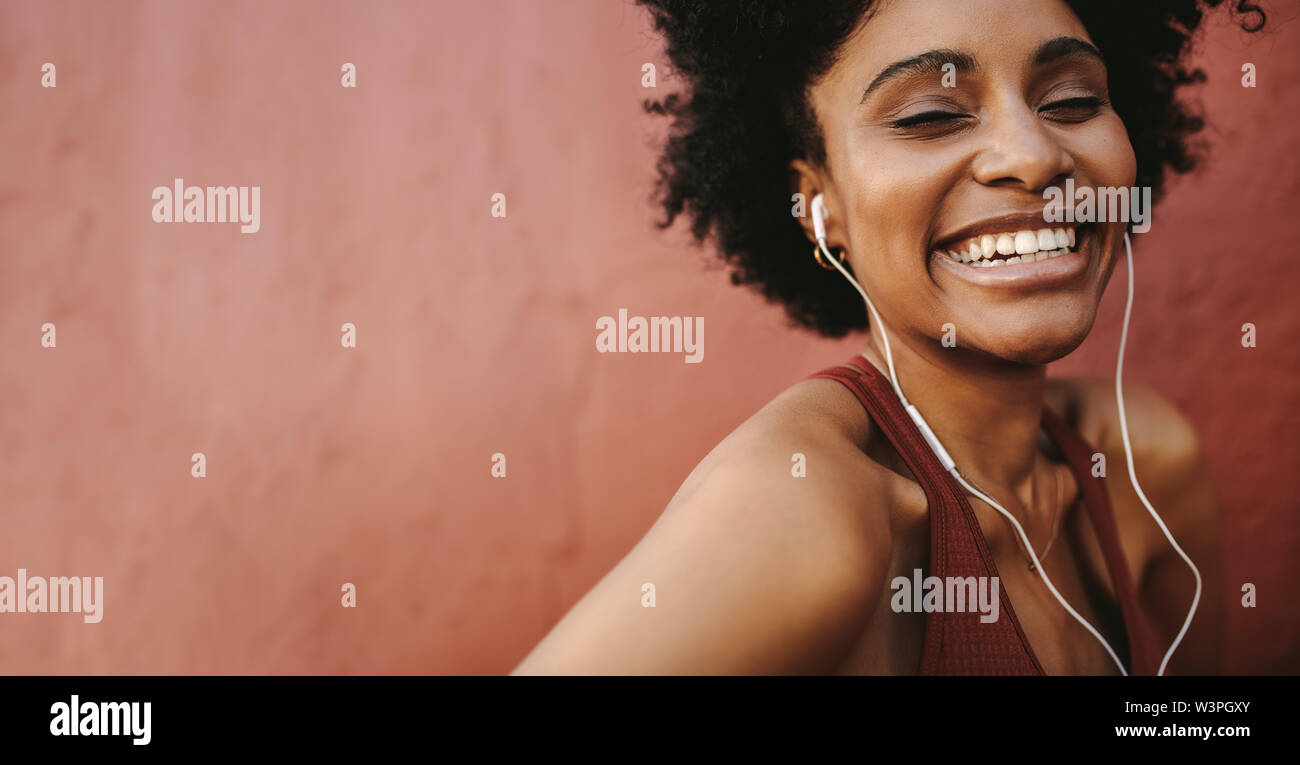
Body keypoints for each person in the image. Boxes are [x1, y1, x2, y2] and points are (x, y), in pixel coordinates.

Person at [513, 0, 1265, 675]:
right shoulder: (808, 509)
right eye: (929, 116)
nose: (1035, 157)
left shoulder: (1144, 467)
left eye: (1072, 100)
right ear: (821, 206)